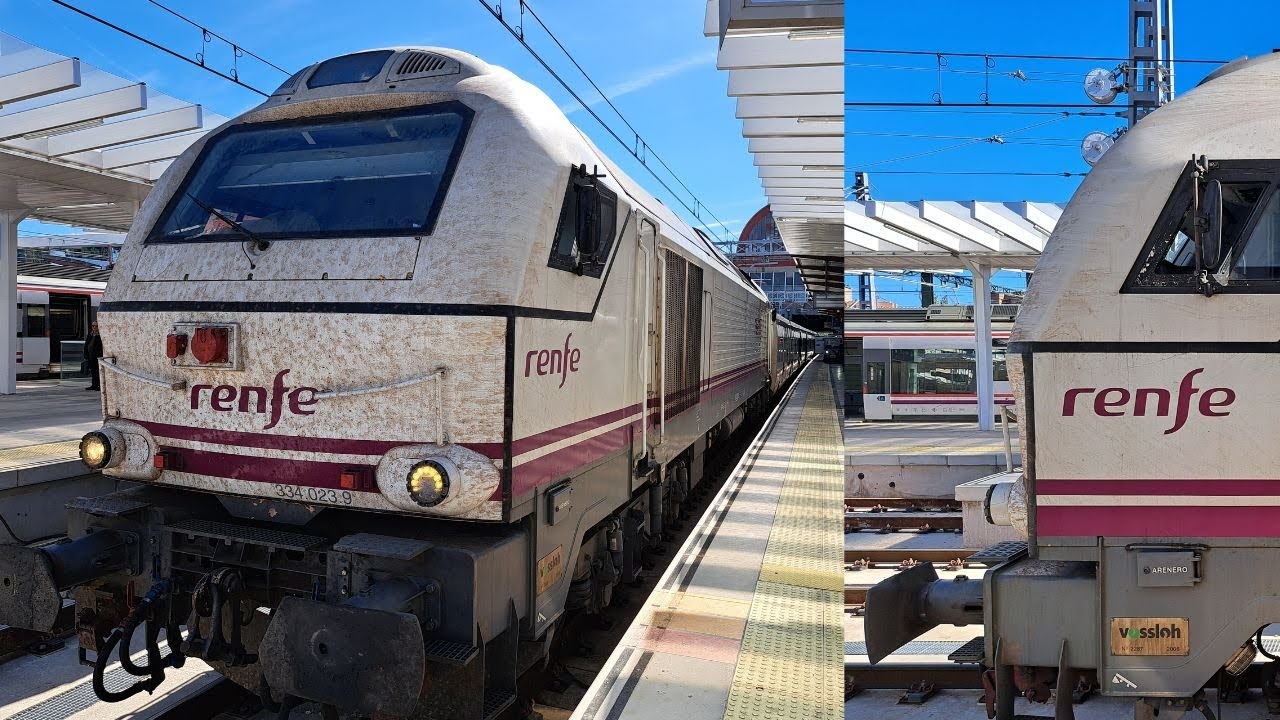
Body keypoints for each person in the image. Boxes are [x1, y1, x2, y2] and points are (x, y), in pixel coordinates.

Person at [85, 321, 103, 391]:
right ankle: (94, 385)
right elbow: (87, 344)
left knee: (98, 371)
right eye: (93, 326)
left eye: (96, 326)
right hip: (90, 355)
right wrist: (86, 354)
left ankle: (98, 385)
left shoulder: (100, 335)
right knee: (93, 371)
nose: (94, 327)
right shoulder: (90, 334)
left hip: (97, 356)